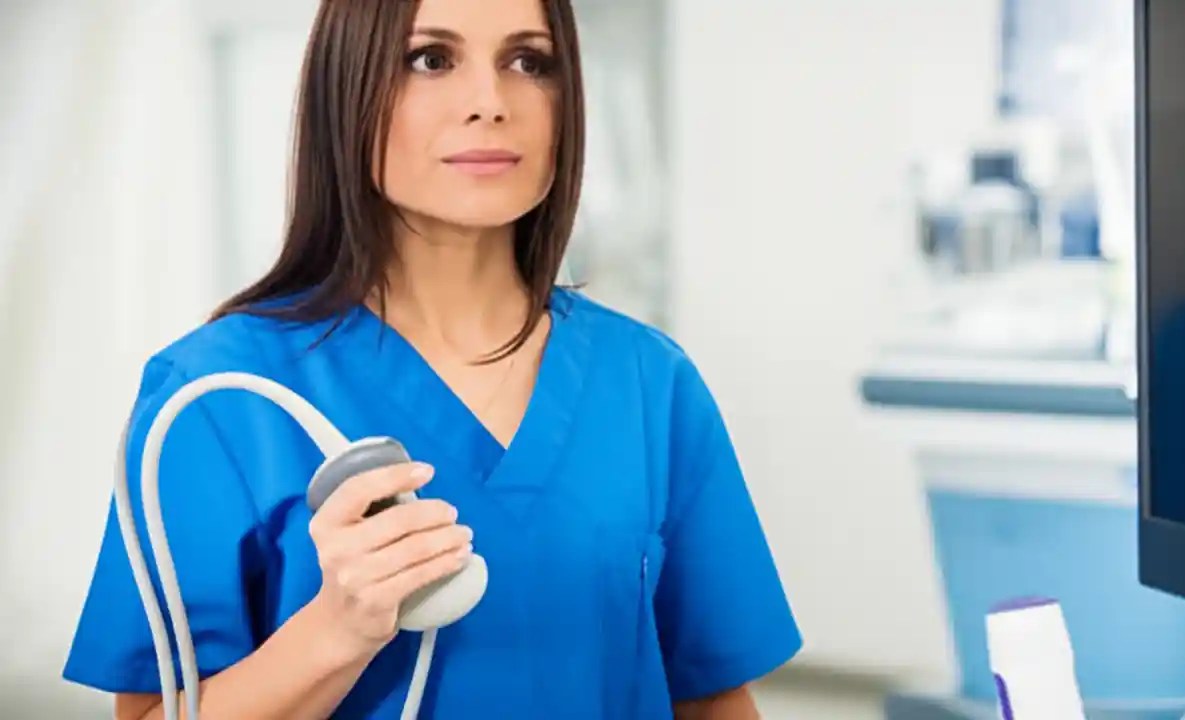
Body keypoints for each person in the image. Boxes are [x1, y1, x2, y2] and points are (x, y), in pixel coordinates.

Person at [61, 0, 802, 718]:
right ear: (346, 88)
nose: (490, 101)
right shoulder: (219, 397)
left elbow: (710, 699)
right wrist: (336, 632)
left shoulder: (648, 383)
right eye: (430, 58)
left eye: (527, 60)